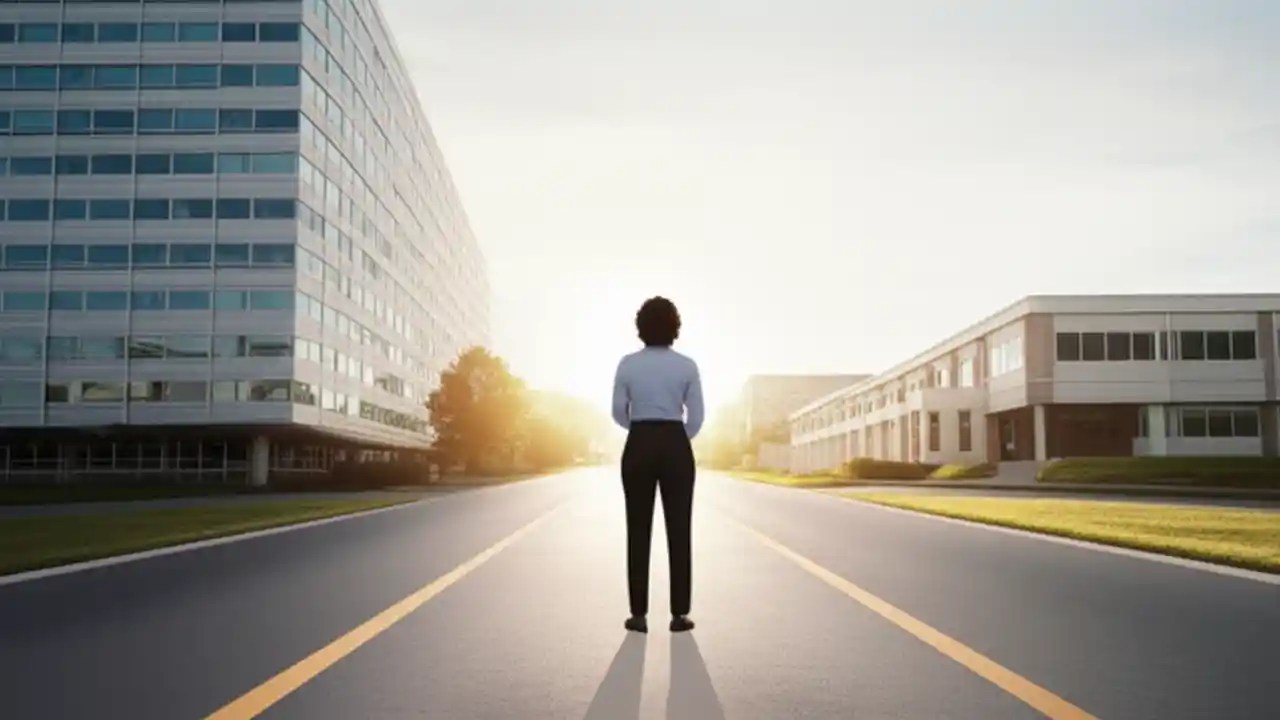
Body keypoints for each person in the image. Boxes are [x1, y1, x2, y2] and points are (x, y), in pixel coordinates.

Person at [611, 296, 704, 634]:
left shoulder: (627, 364)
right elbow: (697, 417)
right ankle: (679, 615)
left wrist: (641, 429)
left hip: (639, 441)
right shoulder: (687, 366)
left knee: (638, 528)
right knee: (679, 529)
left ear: (641, 327)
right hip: (675, 442)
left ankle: (638, 614)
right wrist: (675, 437)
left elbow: (617, 411)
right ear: (675, 327)